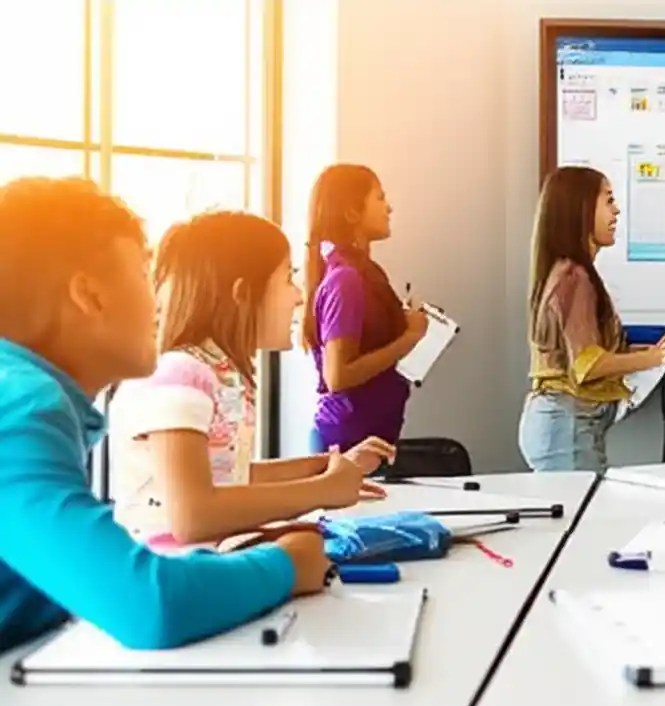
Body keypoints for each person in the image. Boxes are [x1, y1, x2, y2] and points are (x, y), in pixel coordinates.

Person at [0, 177, 331, 654]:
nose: (157, 301)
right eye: (141, 272)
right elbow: (146, 603)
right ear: (88, 295)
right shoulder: (21, 409)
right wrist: (287, 564)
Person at [109, 211, 395, 548]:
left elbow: (231, 473)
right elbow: (193, 517)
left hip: (206, 562)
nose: (299, 296)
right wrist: (324, 490)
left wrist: (327, 466)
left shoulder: (214, 372)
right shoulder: (181, 375)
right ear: (242, 293)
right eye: (288, 278)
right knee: (307, 552)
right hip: (169, 576)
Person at [519, 166, 665, 472]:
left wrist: (644, 354)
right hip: (566, 426)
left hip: (564, 423)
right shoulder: (575, 277)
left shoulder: (565, 272)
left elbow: (583, 355)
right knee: (583, 516)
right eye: (608, 200)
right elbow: (588, 364)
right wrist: (654, 357)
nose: (616, 210)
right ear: (580, 209)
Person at [302, 164, 427, 453]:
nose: (390, 208)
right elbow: (338, 376)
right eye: (380, 198)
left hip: (369, 437)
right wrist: (408, 339)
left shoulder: (364, 272)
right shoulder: (346, 278)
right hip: (346, 442)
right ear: (352, 212)